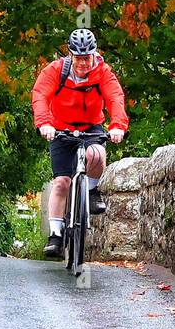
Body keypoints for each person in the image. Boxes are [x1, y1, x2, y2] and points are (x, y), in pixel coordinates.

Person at [30, 28, 128, 259]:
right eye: (78, 57)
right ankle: (55, 235)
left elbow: (115, 98)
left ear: (94, 54)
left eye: (87, 57)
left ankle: (92, 190)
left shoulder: (103, 73)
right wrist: (44, 124)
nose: (83, 63)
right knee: (62, 183)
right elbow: (40, 95)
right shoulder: (55, 70)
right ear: (70, 55)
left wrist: (117, 126)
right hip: (60, 127)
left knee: (97, 156)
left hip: (90, 126)